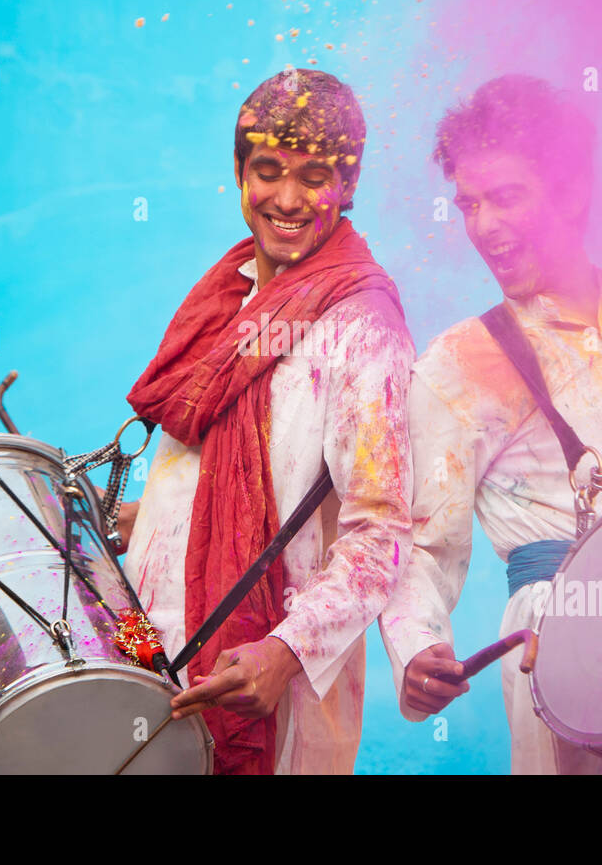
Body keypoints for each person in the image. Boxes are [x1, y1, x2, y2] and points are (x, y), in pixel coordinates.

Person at [377, 74, 602, 774]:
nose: (482, 226)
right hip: (559, 654)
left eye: (506, 197)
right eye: (468, 204)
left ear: (572, 192)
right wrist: (417, 645)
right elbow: (417, 542)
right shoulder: (456, 363)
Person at [122, 68, 414, 775]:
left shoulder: (362, 328)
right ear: (238, 171)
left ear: (348, 186)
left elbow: (384, 536)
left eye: (315, 176)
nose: (287, 199)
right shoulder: (223, 300)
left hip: (268, 698)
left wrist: (286, 652)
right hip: (153, 670)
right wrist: (141, 521)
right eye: (269, 171)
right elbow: (216, 489)